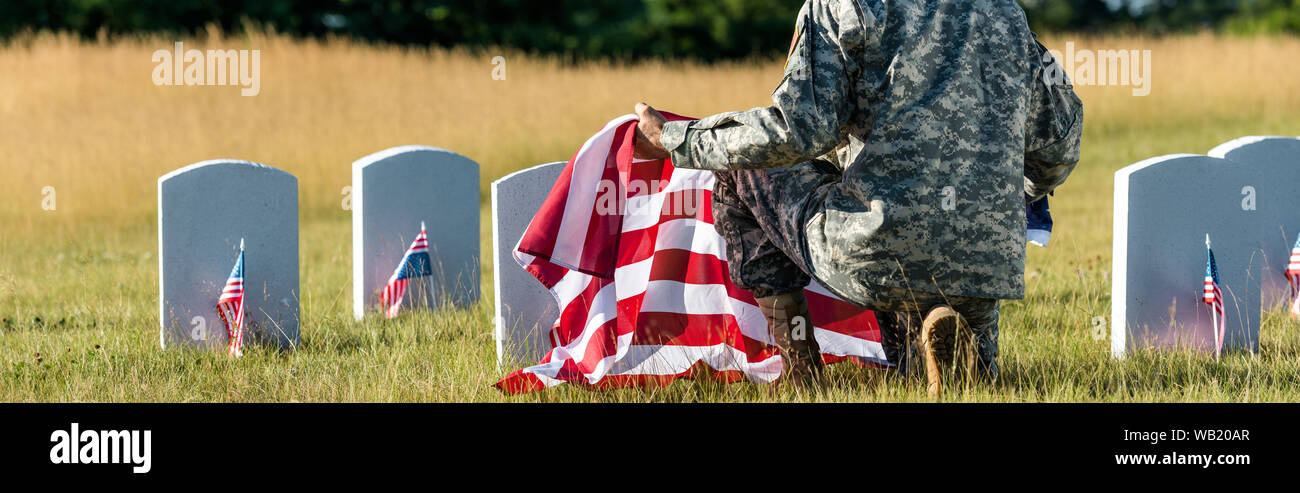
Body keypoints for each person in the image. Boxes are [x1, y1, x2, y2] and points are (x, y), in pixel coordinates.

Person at [632, 0, 1083, 395]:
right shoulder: (1005, 13)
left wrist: (676, 138)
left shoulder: (843, 5)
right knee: (933, 363)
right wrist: (1004, 198)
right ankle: (949, 346)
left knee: (743, 169)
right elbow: (1062, 141)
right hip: (984, 260)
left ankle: (802, 372)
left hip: (881, 248)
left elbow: (797, 130)